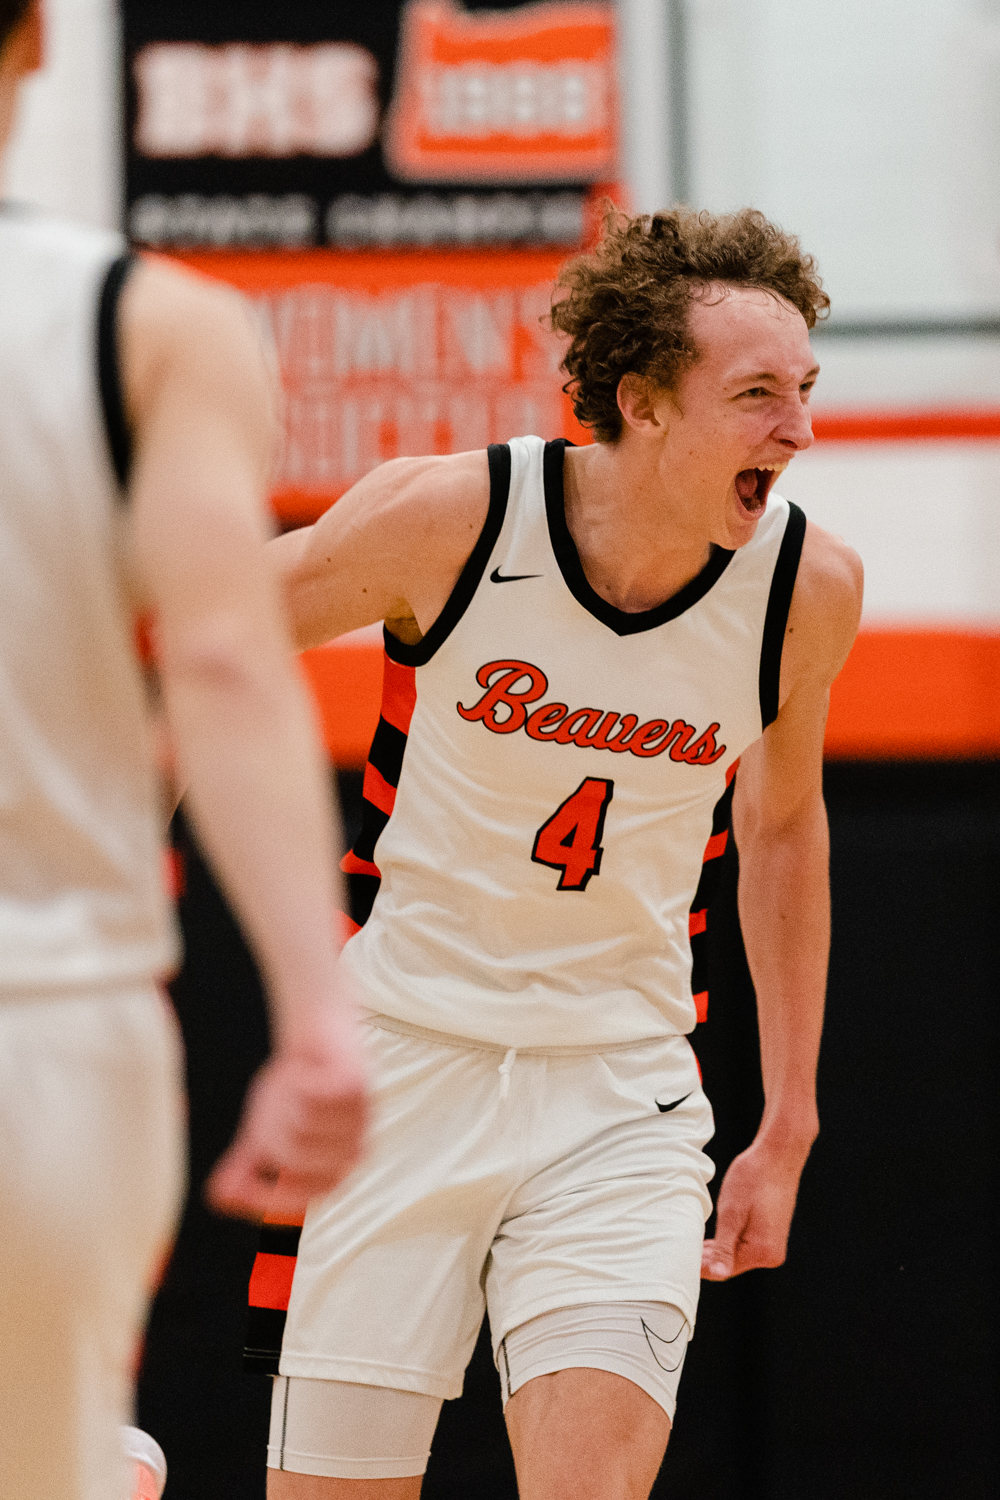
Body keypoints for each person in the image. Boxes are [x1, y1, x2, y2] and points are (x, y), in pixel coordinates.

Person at [260, 205, 863, 1500]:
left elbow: (780, 822)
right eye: (757, 394)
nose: (798, 430)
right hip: (404, 1070)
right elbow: (200, 636)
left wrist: (791, 1115)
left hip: (619, 1092)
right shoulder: (457, 521)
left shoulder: (805, 591)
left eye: (805, 391)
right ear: (641, 402)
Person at [0, 5, 368, 1498]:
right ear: (34, 46)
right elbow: (225, 663)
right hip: (44, 1012)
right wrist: (318, 1016)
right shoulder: (154, 325)